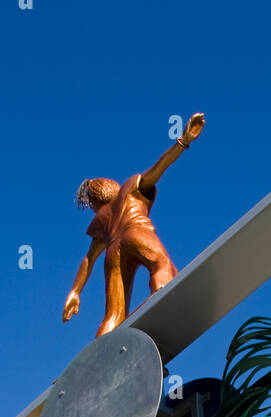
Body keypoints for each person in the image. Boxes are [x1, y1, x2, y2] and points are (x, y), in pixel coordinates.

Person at [63, 114, 205, 337]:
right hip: (135, 233)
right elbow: (159, 168)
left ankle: (102, 348)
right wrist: (183, 142)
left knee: (114, 315)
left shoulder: (100, 218)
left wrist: (75, 291)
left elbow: (89, 260)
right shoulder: (130, 187)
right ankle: (162, 299)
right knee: (162, 264)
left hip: (112, 255)